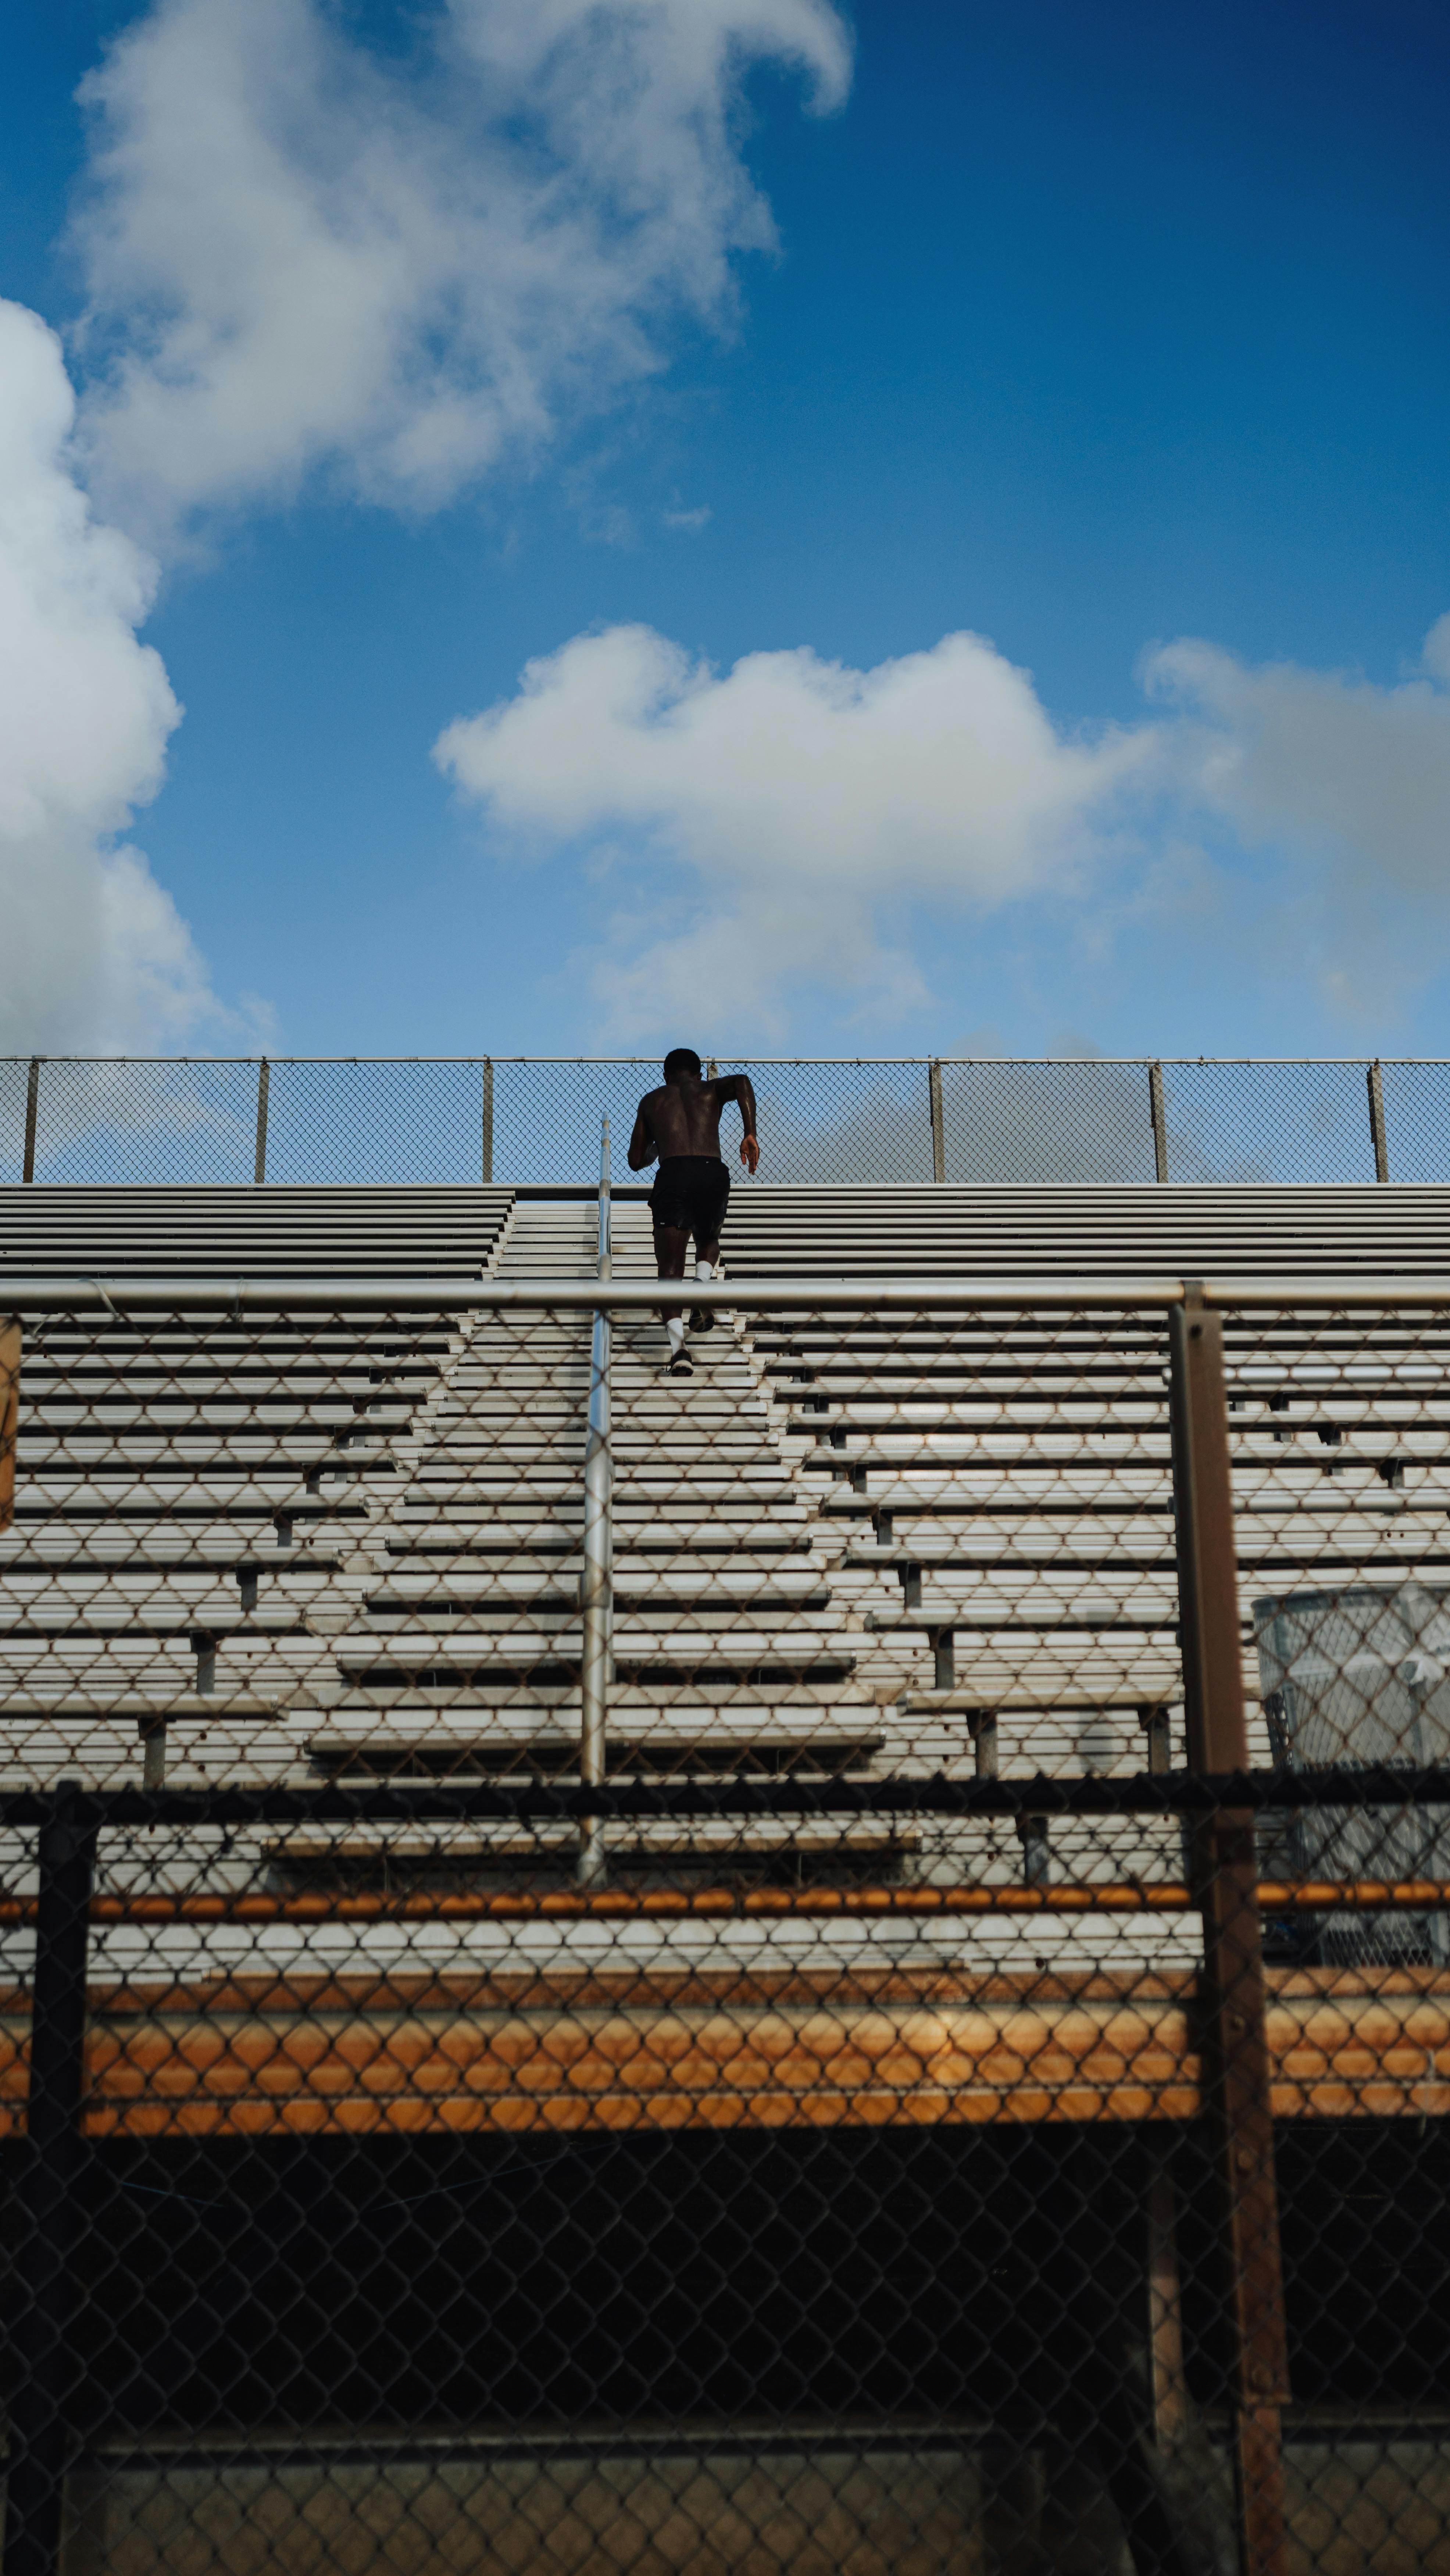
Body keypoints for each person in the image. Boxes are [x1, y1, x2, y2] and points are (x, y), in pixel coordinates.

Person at [628, 1051, 759, 1376]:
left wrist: (659, 1144)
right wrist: (749, 1132)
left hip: (674, 1173)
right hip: (712, 1170)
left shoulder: (652, 1101)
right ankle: (701, 1283)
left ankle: (679, 1352)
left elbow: (635, 1160)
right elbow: (742, 1082)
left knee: (669, 1269)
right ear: (700, 1074)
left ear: (665, 1075)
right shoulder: (710, 1090)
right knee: (709, 1238)